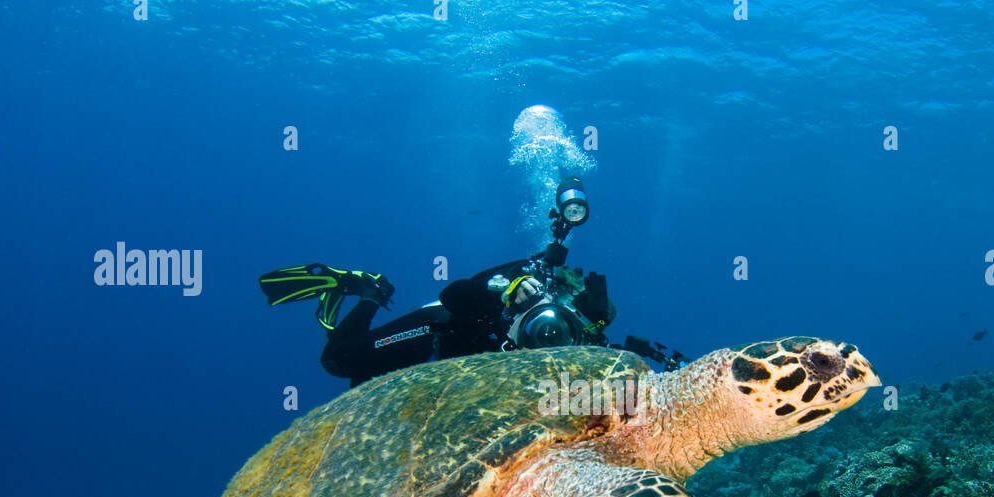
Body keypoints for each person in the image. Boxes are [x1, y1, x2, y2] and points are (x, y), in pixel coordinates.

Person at [259, 176, 686, 387]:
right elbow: (453, 293)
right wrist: (504, 290)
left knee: (364, 384)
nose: (553, 329)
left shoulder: (575, 329)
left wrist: (648, 356)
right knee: (342, 363)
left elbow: (609, 358)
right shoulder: (526, 281)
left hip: (457, 377)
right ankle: (364, 290)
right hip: (441, 328)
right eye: (566, 289)